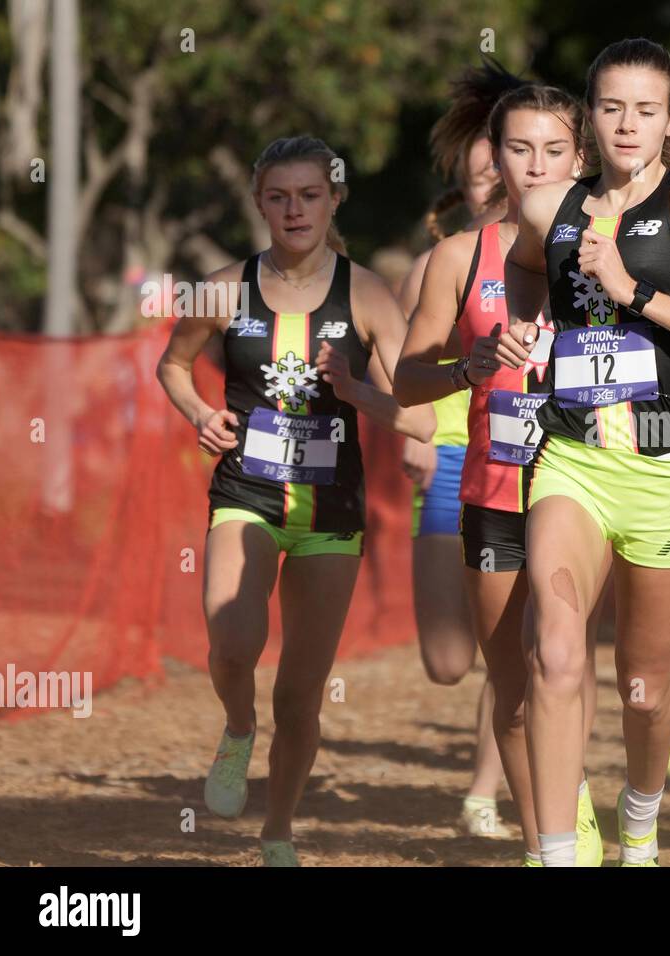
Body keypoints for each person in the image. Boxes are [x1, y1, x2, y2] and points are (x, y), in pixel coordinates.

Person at [493, 37, 670, 866]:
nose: (626, 124)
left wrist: (635, 291)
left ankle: (639, 815)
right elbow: (523, 269)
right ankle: (556, 850)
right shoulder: (550, 206)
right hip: (571, 461)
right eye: (611, 107)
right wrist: (527, 326)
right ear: (590, 114)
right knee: (555, 651)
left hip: (662, 466)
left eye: (646, 110)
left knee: (645, 692)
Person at [157, 135, 433, 865]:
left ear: (333, 200)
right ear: (259, 203)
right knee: (230, 644)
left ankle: (277, 830)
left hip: (331, 513)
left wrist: (351, 390)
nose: (294, 209)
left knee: (301, 696)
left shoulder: (367, 293)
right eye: (278, 196)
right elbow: (174, 363)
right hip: (245, 492)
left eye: (309, 195)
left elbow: (420, 416)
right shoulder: (221, 288)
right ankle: (237, 728)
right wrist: (199, 414)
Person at [395, 78, 609, 866]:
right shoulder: (459, 257)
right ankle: (551, 821)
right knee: (511, 693)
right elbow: (408, 381)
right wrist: (468, 365)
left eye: (555, 150)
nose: (537, 165)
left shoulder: (612, 249)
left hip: (586, 486)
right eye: (520, 149)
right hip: (493, 486)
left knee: (561, 653)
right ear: (496, 158)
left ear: (580, 157)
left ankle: (555, 834)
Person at [396, 60, 521, 838]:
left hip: (536, 466)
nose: (489, 184)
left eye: (497, 168)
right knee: (449, 659)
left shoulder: (560, 260)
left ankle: (487, 788)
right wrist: (413, 433)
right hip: (449, 462)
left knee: (527, 646)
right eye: (475, 175)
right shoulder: (435, 266)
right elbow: (401, 373)